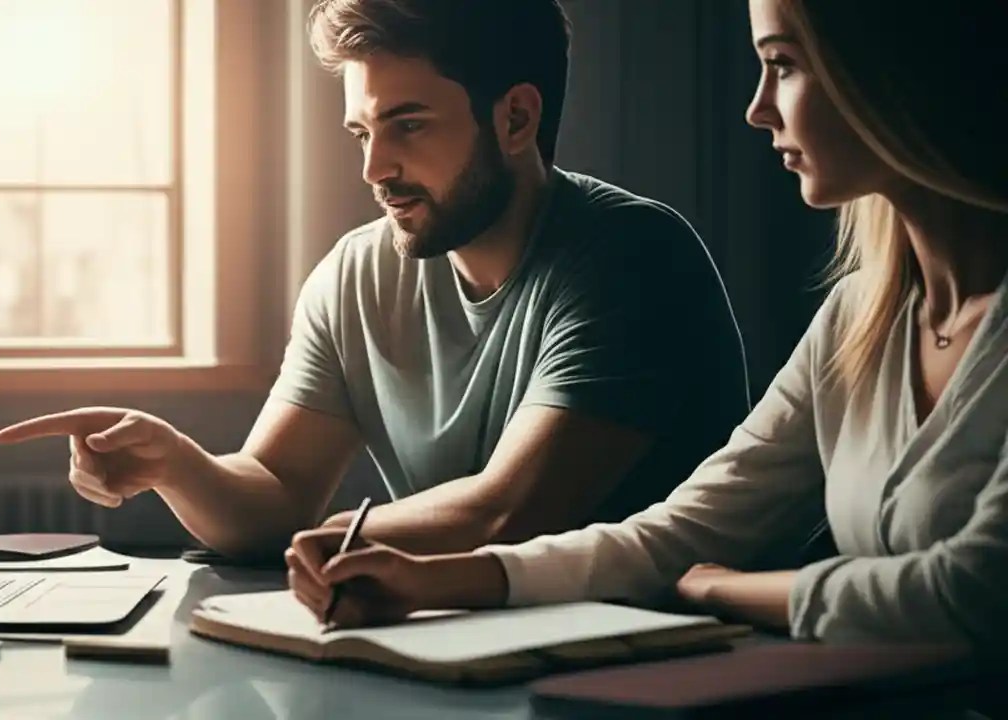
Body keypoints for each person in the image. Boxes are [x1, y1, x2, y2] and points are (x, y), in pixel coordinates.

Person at [285, 0, 1008, 660]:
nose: (757, 108)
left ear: (889, 76)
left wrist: (725, 590)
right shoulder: (860, 317)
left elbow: (968, 592)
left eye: (783, 65)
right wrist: (430, 584)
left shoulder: (629, 251)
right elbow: (678, 534)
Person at [0, 0, 748, 560]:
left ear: (516, 118)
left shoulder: (633, 257)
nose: (374, 169)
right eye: (363, 131)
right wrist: (178, 464)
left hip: (660, 665)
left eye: (408, 125)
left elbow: (509, 517)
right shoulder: (356, 274)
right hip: (462, 647)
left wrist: (327, 539)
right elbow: (275, 492)